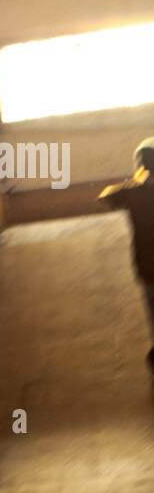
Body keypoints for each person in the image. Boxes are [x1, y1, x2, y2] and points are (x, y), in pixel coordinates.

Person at [97, 138, 154, 376]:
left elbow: (106, 197)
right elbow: (107, 197)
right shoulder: (136, 193)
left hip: (148, 268)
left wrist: (138, 180)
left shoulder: (134, 193)